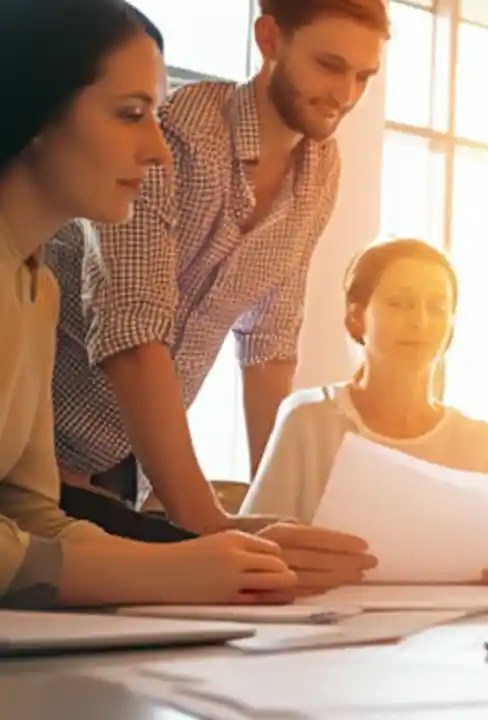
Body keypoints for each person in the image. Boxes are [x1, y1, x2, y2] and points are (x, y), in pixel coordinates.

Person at [45, 0, 388, 539]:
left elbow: (269, 348)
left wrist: (275, 514)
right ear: (270, 40)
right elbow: (133, 338)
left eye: (363, 76)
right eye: (329, 65)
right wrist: (207, 521)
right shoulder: (180, 135)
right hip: (31, 443)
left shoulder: (321, 169)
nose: (346, 96)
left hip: (118, 462)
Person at [0, 0, 301, 608]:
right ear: (35, 101)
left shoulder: (37, 287)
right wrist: (170, 569)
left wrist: (217, 559)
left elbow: (30, 512)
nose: (159, 151)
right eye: (132, 114)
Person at [241, 239, 488, 589]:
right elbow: (255, 556)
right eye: (399, 304)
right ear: (356, 317)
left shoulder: (482, 445)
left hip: (447, 634)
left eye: (437, 307)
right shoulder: (307, 420)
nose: (420, 321)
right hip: (325, 631)